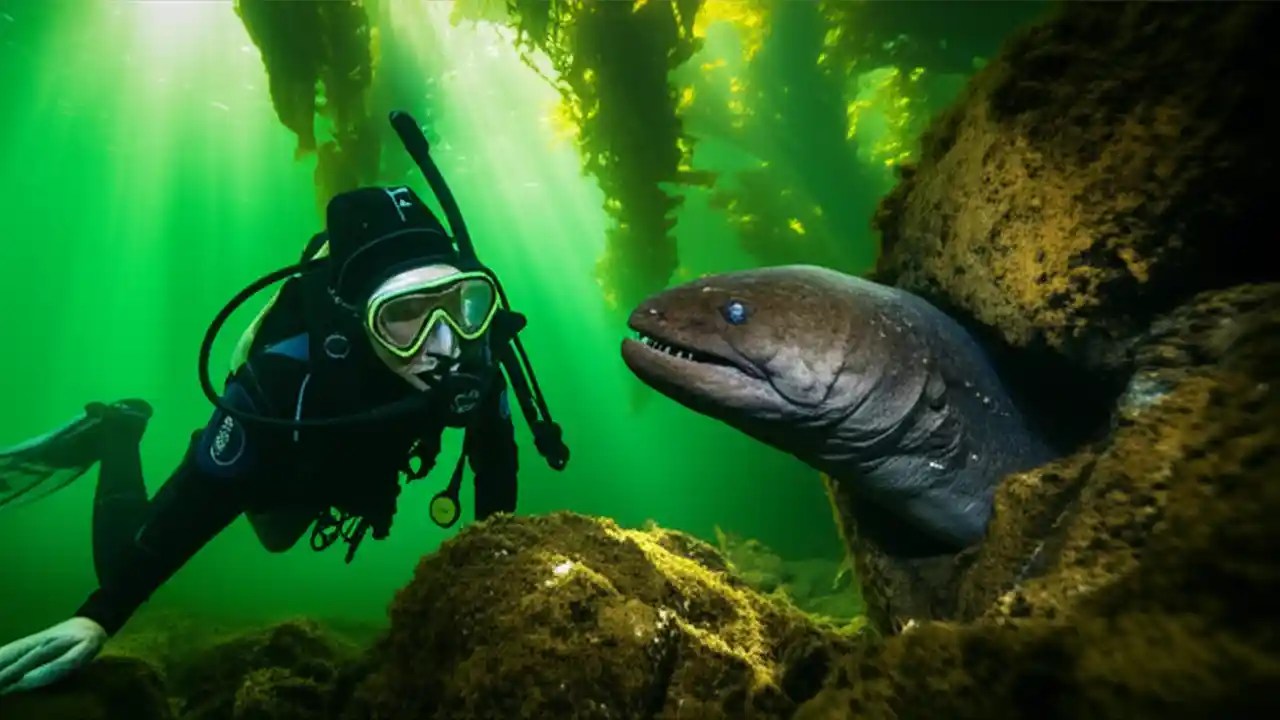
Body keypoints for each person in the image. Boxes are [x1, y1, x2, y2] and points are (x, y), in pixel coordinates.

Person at [0, 112, 569, 695]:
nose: (445, 343)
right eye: (403, 315)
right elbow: (196, 501)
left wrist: (493, 585)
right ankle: (117, 435)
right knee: (151, 552)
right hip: (278, 465)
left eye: (463, 303)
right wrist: (99, 615)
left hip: (341, 475)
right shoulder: (280, 379)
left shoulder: (474, 355)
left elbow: (494, 462)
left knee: (281, 537)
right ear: (357, 317)